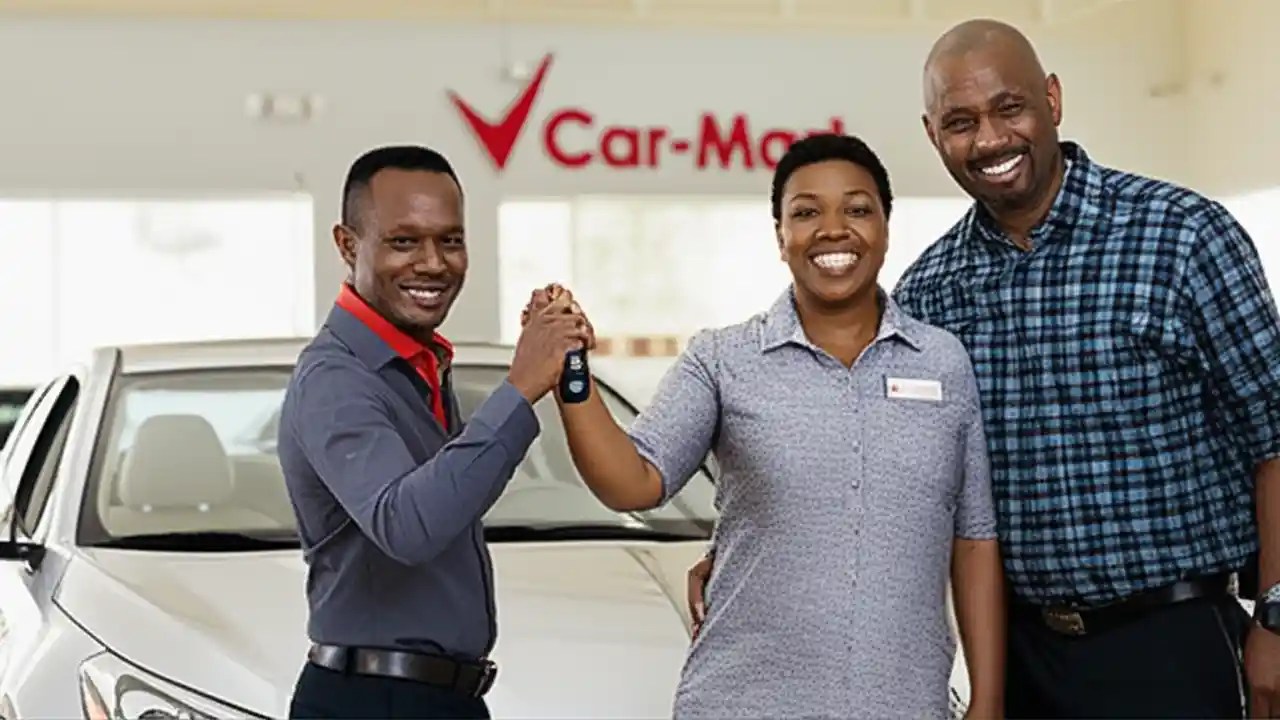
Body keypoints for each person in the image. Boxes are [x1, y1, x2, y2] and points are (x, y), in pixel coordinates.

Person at [684, 17, 1280, 719]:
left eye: (1010, 108)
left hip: (1175, 641)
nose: (990, 140)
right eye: (961, 122)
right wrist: (753, 551)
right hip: (1019, 655)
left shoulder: (1182, 235)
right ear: (934, 136)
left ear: (1052, 100)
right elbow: (876, 457)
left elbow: (1273, 438)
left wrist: (1275, 616)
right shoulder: (931, 290)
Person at [525, 133, 1007, 719]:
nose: (833, 229)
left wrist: (988, 700)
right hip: (743, 703)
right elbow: (634, 482)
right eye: (806, 212)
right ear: (780, 236)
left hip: (902, 704)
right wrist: (572, 375)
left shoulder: (942, 361)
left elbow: (974, 538)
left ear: (885, 226)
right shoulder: (723, 359)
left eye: (857, 209)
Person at [277, 145, 590, 719]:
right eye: (404, 241)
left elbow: (447, 494)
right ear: (348, 245)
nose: (433, 263)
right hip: (374, 703)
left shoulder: (421, 365)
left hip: (437, 700)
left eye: (450, 240)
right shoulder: (335, 378)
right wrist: (519, 389)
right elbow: (408, 525)